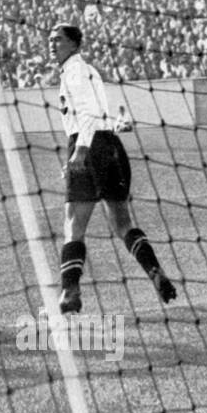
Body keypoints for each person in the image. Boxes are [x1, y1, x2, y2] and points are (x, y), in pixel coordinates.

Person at [49, 23, 177, 315]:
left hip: (89, 144)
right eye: (50, 40)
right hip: (112, 146)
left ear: (73, 44)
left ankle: (70, 290)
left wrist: (80, 150)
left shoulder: (75, 71)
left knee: (73, 225)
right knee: (122, 222)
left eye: (58, 39)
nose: (52, 44)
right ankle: (154, 270)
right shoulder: (88, 70)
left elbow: (88, 111)